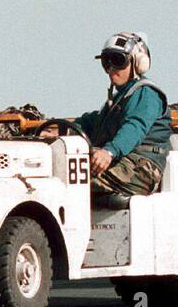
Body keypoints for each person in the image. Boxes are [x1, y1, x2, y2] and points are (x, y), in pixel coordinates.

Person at [72, 31, 172, 197]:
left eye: (118, 60)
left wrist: (109, 152)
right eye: (106, 62)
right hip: (124, 160)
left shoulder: (146, 94)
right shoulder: (120, 98)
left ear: (137, 63)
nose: (111, 68)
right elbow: (95, 122)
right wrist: (60, 128)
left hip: (141, 166)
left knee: (72, 186)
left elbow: (134, 127)